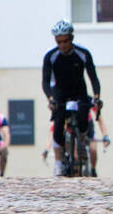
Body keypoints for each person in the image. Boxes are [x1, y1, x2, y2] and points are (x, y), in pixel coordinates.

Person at [41, 20, 102, 176]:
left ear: (72, 38)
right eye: (59, 42)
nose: (63, 45)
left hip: (79, 91)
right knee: (58, 121)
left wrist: (96, 97)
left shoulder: (83, 54)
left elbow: (93, 77)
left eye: (66, 41)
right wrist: (50, 98)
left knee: (83, 117)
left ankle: (81, 141)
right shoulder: (51, 56)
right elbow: (45, 81)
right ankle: (59, 162)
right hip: (59, 92)